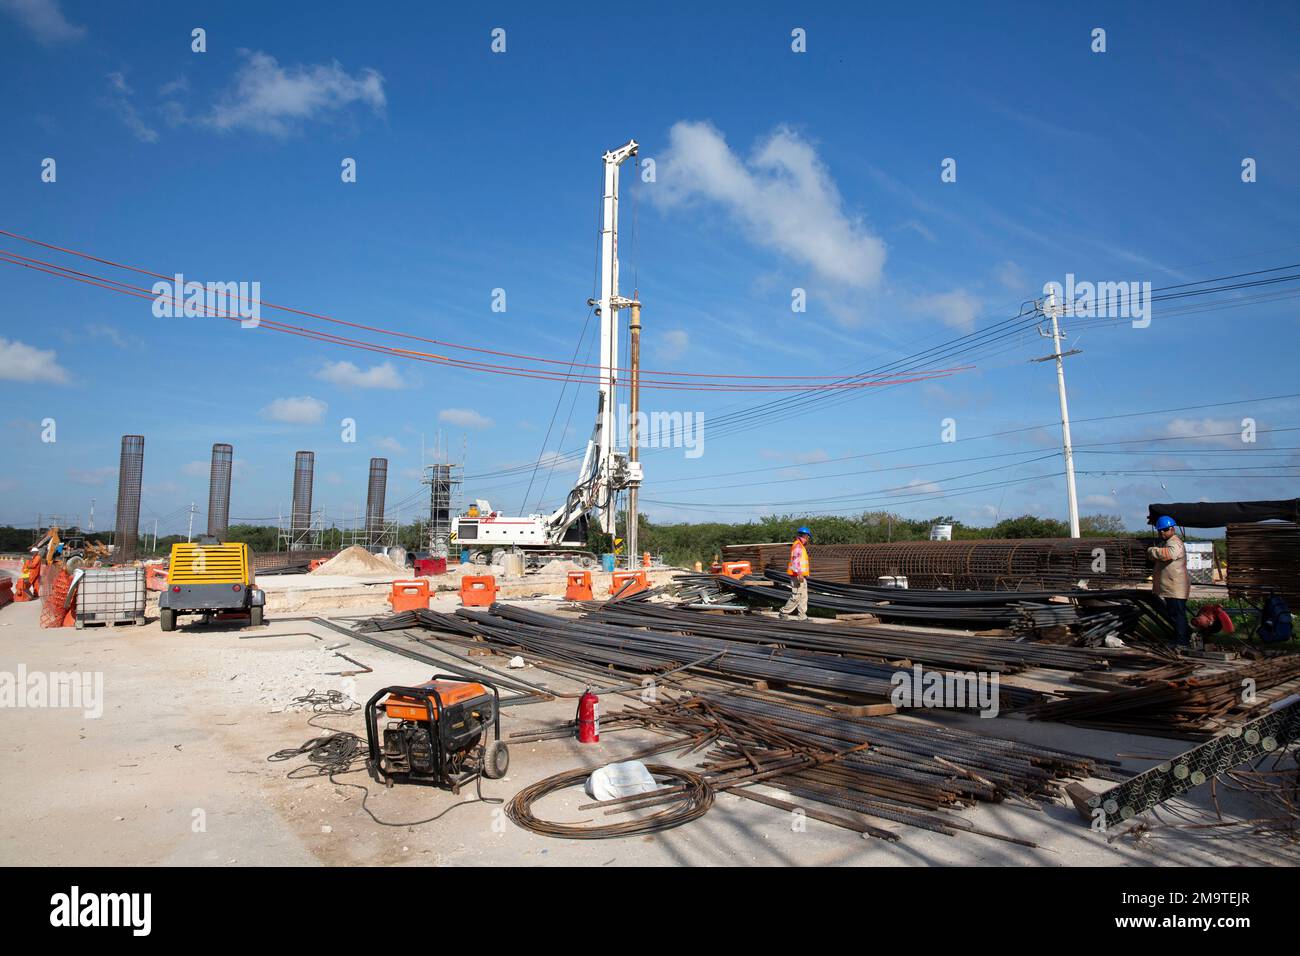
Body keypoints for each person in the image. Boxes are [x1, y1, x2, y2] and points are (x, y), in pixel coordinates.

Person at [1147, 515, 1191, 646]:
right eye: (1160, 530)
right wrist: (1155, 551)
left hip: (1176, 587)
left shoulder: (1174, 542)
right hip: (1171, 587)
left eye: (1165, 529)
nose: (1162, 532)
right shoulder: (1165, 543)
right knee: (1174, 614)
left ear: (1172, 529)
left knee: (1178, 615)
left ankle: (1182, 640)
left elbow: (1168, 554)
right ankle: (1181, 637)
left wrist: (1151, 550)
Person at [779, 526, 812, 620]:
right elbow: (795, 561)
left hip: (802, 576)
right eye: (808, 536)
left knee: (803, 597)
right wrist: (799, 574)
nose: (808, 538)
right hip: (797, 575)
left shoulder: (800, 545)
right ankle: (783, 612)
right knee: (796, 596)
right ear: (805, 535)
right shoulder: (798, 545)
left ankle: (802, 616)